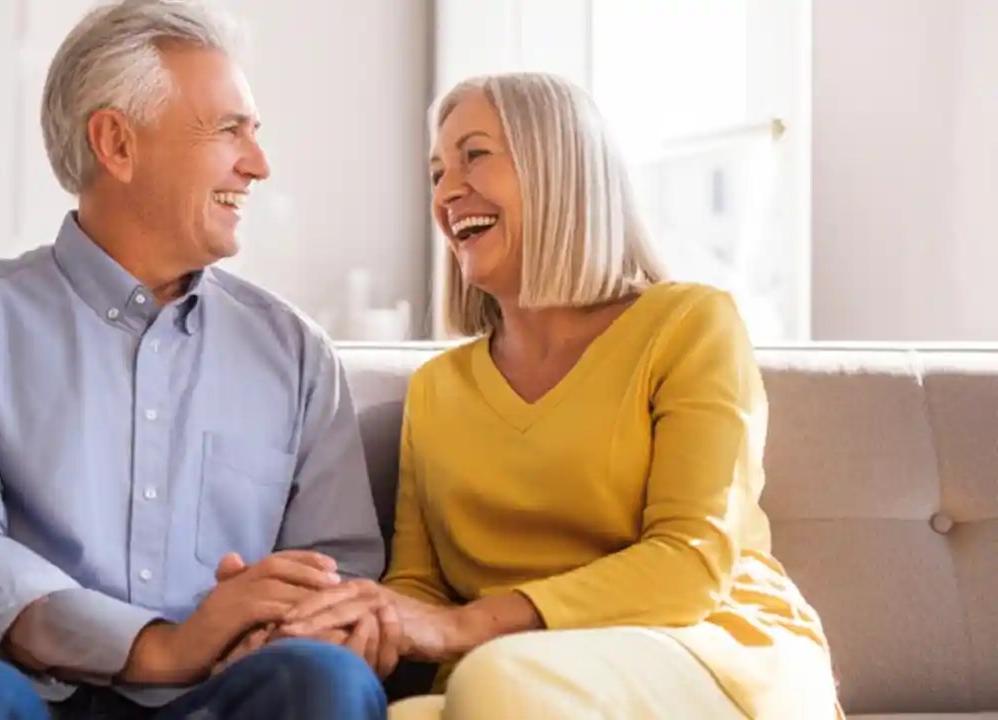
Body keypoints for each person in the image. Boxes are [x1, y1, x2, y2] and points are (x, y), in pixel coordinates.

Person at [0, 2, 393, 718]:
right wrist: (157, 644)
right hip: (11, 689)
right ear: (116, 143)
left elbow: (337, 570)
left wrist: (299, 621)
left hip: (212, 699)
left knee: (324, 682)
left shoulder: (294, 352)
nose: (258, 165)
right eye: (230, 129)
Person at [277, 73, 843, 719]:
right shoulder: (439, 389)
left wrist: (468, 627)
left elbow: (690, 563)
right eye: (437, 172)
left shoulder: (688, 325)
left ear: (561, 170)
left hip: (707, 650)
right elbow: (419, 587)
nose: (447, 191)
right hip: (512, 675)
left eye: (475, 155)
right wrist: (345, 625)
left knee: (498, 680)